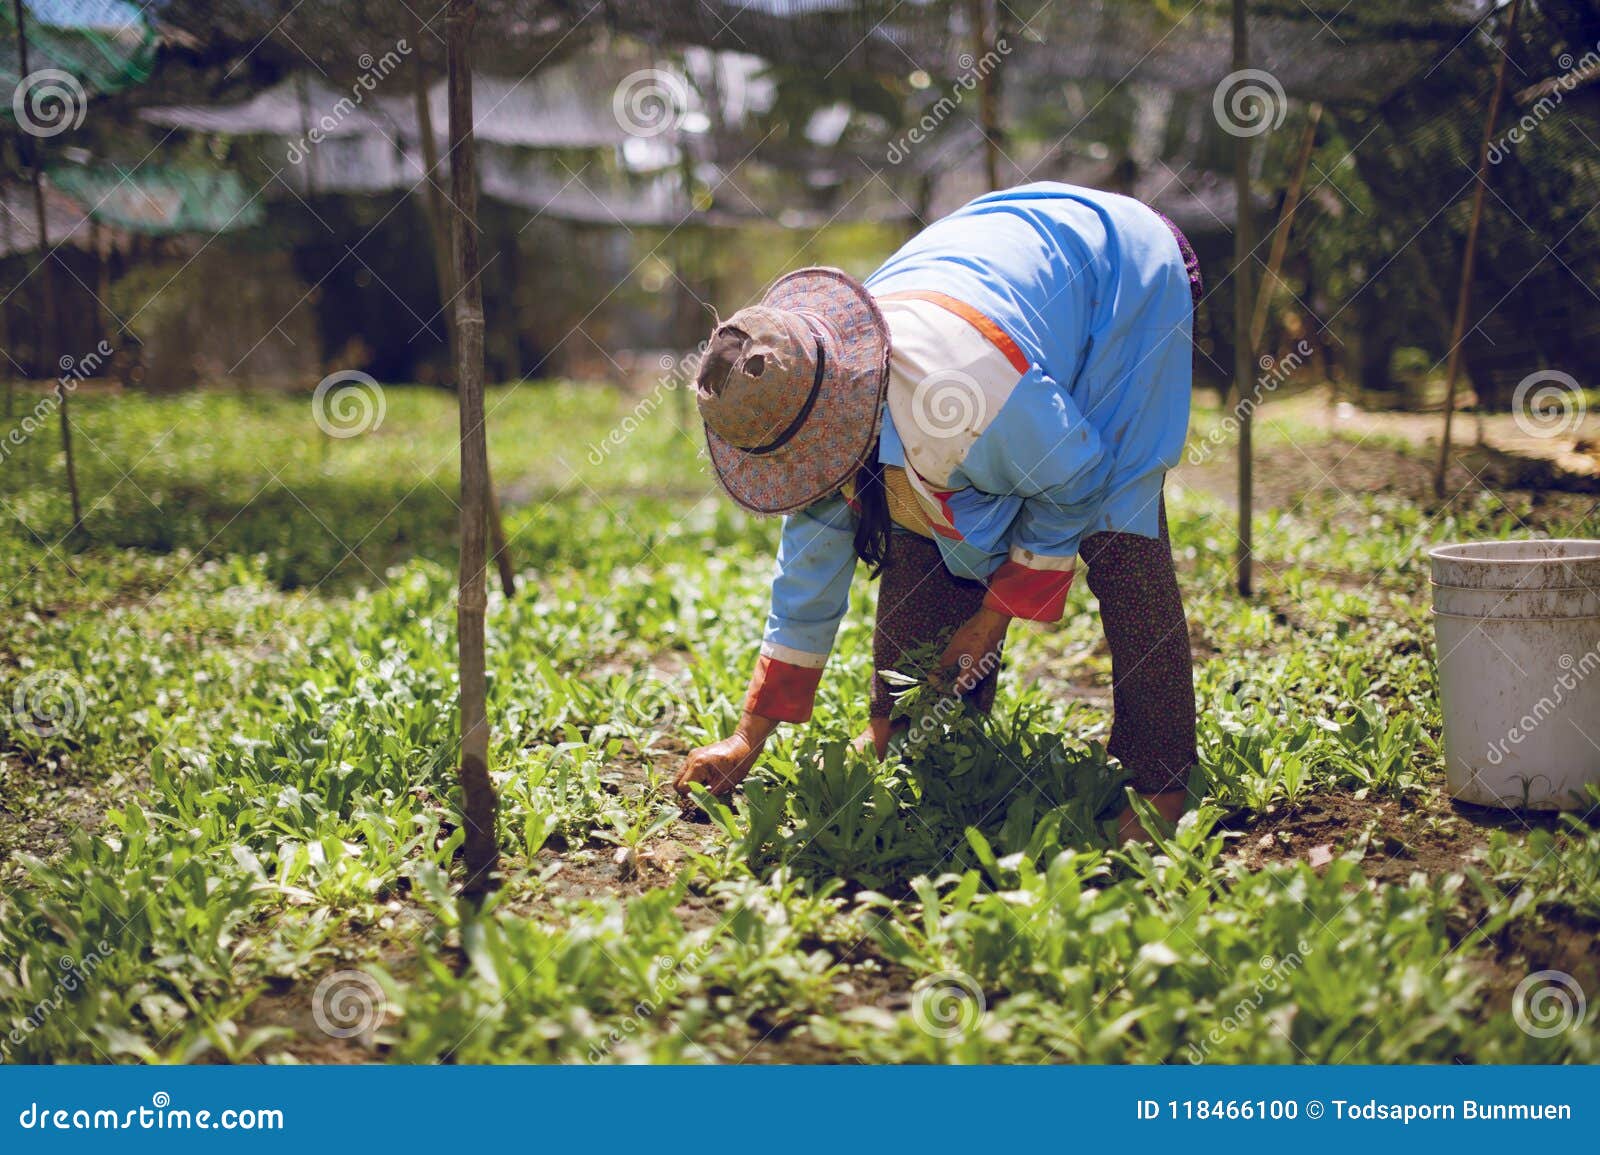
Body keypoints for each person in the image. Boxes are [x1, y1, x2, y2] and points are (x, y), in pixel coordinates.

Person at [673, 182, 1203, 842]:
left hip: (1121, 275)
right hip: (997, 288)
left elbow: (1075, 474)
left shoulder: (961, 394)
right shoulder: (803, 392)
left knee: (1120, 531)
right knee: (906, 507)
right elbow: (806, 577)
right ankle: (911, 728)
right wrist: (746, 737)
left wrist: (990, 622)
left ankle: (1162, 780)